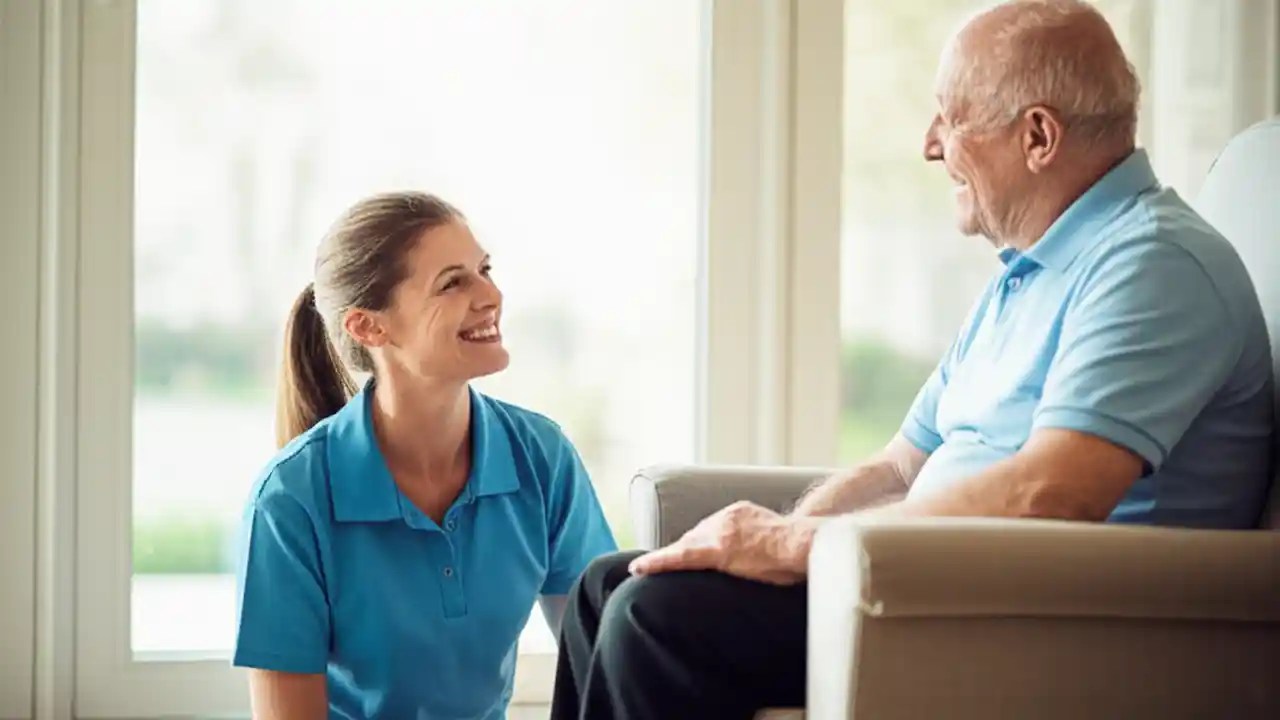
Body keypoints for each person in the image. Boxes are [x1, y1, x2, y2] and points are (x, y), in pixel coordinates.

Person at [549, 1, 1276, 718]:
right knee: (601, 590)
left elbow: (1053, 491)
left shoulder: (1154, 263)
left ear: (1038, 136)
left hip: (1045, 615)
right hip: (944, 584)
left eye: (951, 118)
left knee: (653, 621)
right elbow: (901, 465)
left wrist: (804, 543)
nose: (931, 145)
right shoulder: (1028, 273)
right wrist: (782, 544)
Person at [232, 192, 617, 719]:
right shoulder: (288, 500)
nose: (491, 295)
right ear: (369, 326)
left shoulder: (541, 457)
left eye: (484, 270)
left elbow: (603, 662)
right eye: (453, 282)